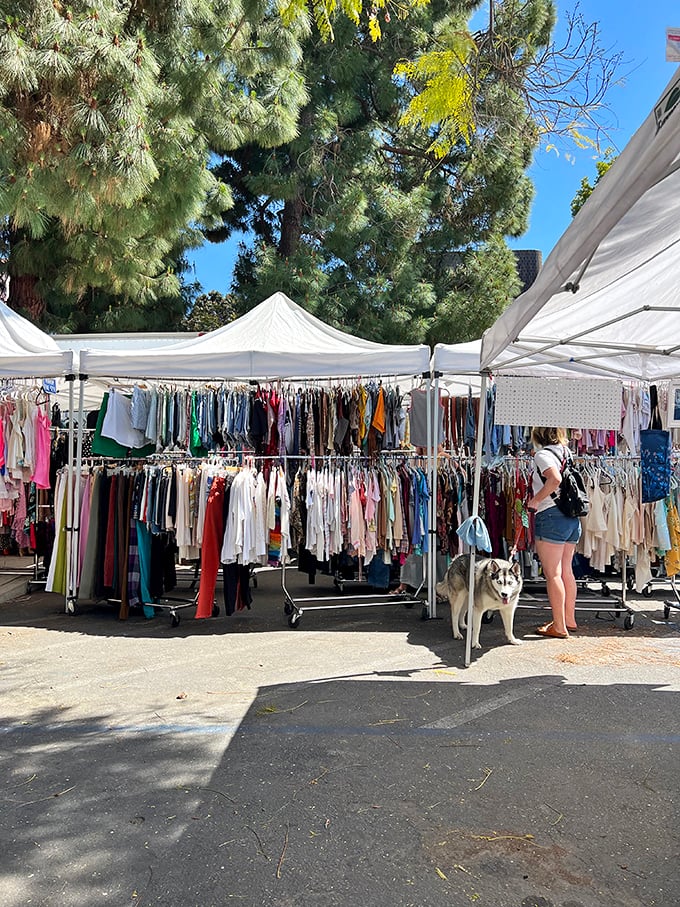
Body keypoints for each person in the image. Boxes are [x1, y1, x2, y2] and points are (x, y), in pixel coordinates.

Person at [526, 426, 581, 639]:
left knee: (553, 574)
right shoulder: (566, 452)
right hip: (570, 517)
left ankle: (559, 626)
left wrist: (536, 500)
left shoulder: (543, 455)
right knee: (566, 570)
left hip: (550, 515)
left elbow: (555, 479)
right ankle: (569, 619)